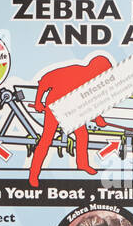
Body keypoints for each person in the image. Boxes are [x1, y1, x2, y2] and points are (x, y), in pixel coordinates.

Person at [28, 53, 113, 188]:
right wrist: (38, 102)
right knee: (46, 140)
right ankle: (33, 174)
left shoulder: (92, 85)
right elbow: (45, 81)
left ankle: (82, 164)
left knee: (82, 135)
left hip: (72, 112)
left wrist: (98, 118)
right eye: (102, 73)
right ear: (95, 69)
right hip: (54, 109)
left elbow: (89, 104)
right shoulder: (74, 70)